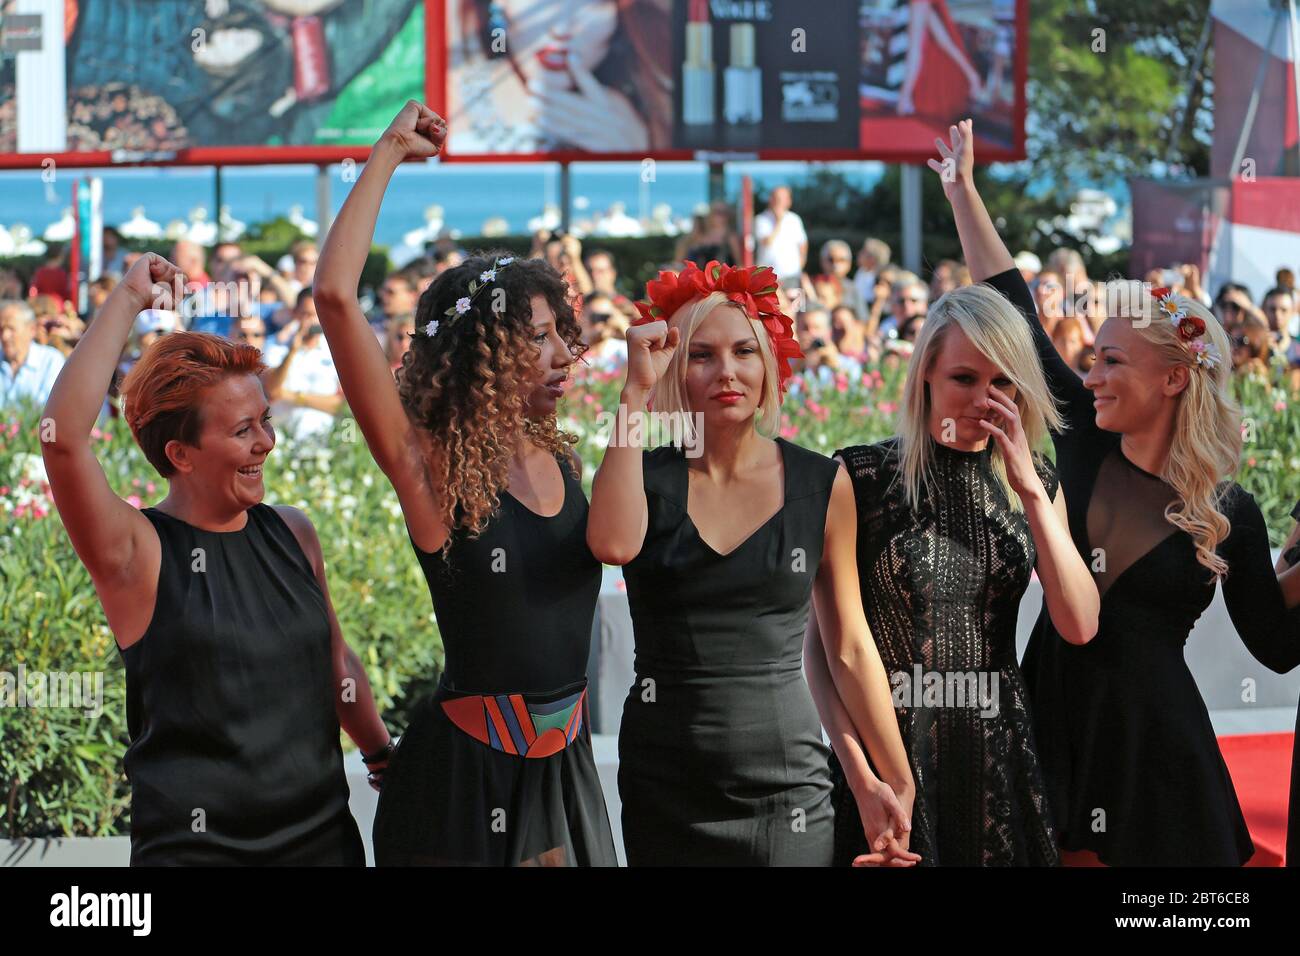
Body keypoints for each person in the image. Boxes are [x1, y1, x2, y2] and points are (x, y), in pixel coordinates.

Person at [938, 119, 1300, 866]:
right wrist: (962, 191)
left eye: (1110, 361)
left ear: (1174, 377)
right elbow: (1012, 308)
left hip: (1156, 753)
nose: (1091, 374)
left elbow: (1275, 644)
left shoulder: (1229, 510)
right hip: (1048, 719)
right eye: (1091, 360)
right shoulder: (1082, 437)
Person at [313, 101, 617, 866]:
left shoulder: (570, 459)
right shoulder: (431, 469)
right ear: (484, 354)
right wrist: (387, 151)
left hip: (564, 770)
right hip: (459, 787)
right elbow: (335, 299)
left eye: (562, 335)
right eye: (539, 337)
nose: (563, 355)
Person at [40, 253, 388, 865]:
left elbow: (332, 657)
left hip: (322, 843)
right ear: (180, 453)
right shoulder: (136, 553)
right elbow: (63, 440)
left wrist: (382, 753)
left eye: (266, 420)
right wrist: (126, 297)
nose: (266, 443)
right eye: (242, 431)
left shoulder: (293, 533)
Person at [587, 258, 919, 866]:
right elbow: (611, 545)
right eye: (700, 355)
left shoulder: (823, 483)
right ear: (672, 368)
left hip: (788, 784)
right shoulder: (643, 475)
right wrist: (633, 395)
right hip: (664, 782)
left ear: (770, 362)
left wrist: (892, 779)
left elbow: (848, 644)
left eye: (745, 350)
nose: (727, 372)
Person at [822, 143, 1098, 866]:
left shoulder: (1034, 479)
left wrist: (1035, 496)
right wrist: (865, 773)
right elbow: (830, 651)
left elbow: (1078, 622)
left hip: (1000, 757)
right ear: (924, 383)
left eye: (1004, 383)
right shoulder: (859, 477)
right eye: (964, 379)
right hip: (889, 763)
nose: (986, 399)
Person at [2, 300, 66, 408]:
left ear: (31, 329)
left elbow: (52, 409)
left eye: (11, 329)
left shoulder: (50, 361)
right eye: (1, 329)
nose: (4, 336)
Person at [754, 186, 808, 288]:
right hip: (768, 277)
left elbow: (803, 243)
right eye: (776, 198)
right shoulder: (761, 219)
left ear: (789, 201)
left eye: (782, 198)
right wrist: (779, 221)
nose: (778, 202)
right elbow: (767, 242)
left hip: (792, 276)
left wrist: (800, 263)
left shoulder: (795, 219)